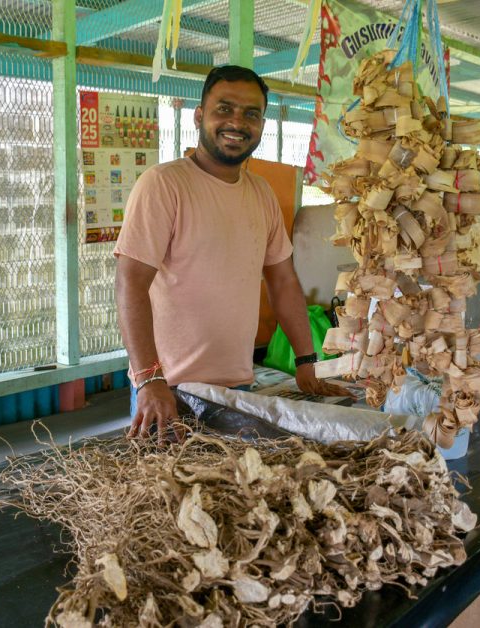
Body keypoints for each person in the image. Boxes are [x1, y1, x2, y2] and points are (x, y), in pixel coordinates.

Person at [114, 65, 349, 441]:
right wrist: (148, 379)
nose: (237, 122)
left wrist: (307, 361)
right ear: (199, 116)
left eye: (251, 114)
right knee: (169, 498)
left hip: (238, 388)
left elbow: (284, 280)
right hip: (171, 391)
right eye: (224, 109)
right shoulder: (163, 185)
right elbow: (130, 283)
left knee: (232, 495)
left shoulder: (261, 194)